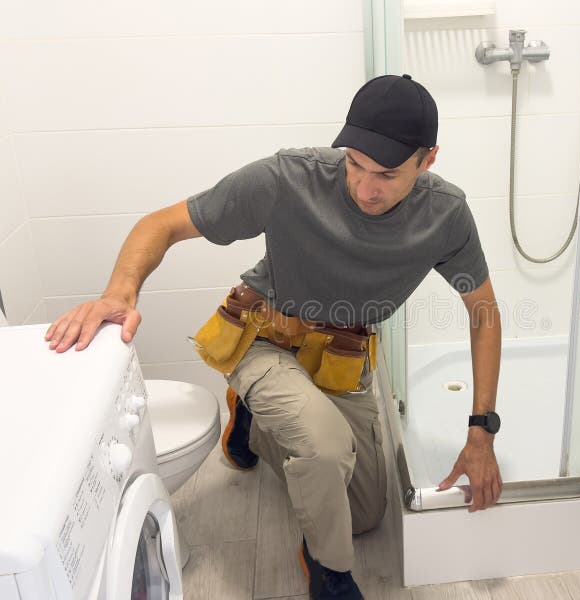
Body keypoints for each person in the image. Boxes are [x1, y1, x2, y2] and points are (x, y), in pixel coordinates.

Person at [45, 74, 503, 600]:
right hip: (265, 337)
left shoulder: (446, 216)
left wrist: (480, 433)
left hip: (342, 357)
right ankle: (327, 570)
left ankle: (252, 423)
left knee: (364, 515)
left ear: (428, 160)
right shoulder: (290, 178)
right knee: (326, 451)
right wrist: (120, 293)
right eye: (354, 162)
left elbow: (483, 311)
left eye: (387, 174)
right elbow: (162, 224)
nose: (364, 187)